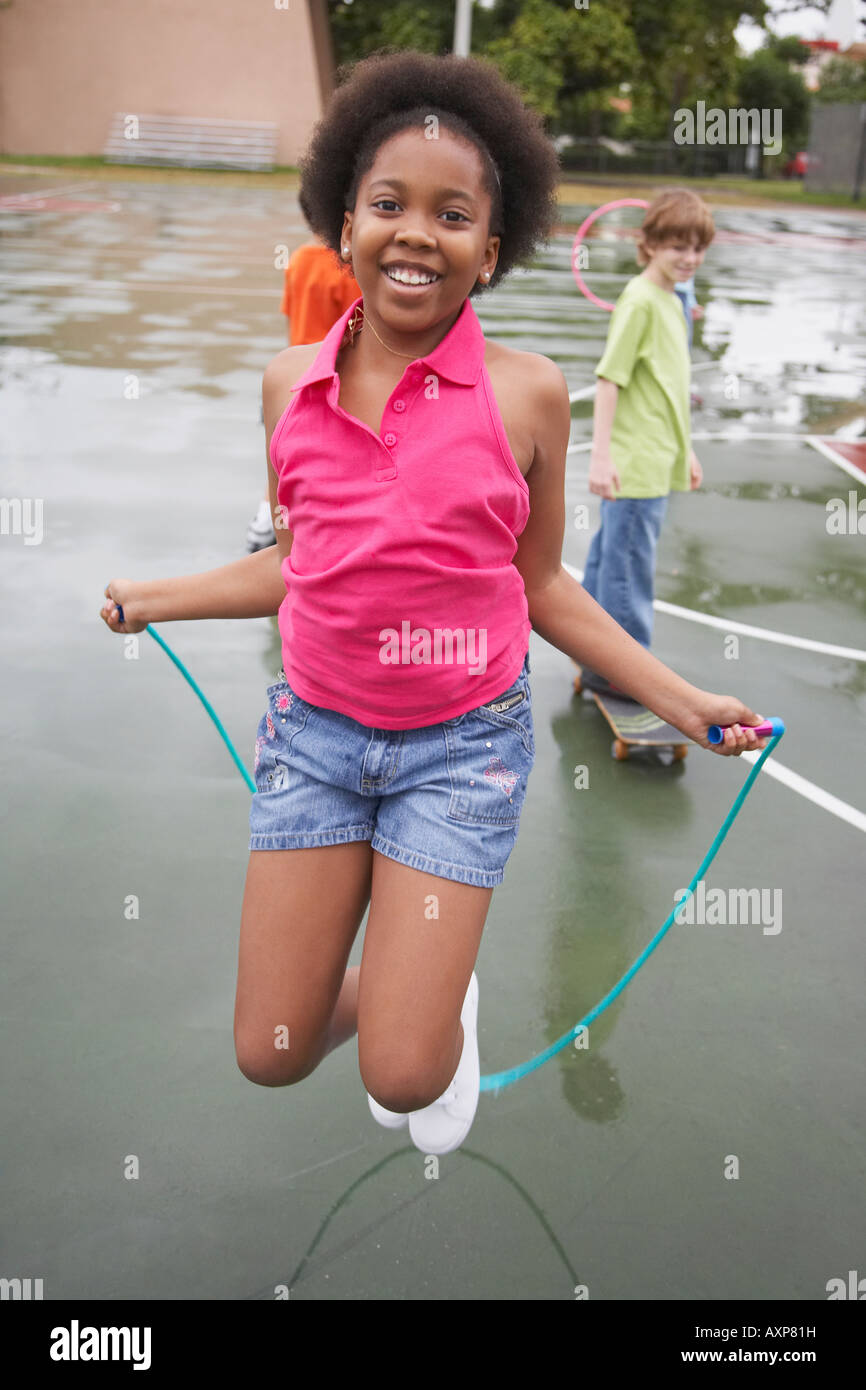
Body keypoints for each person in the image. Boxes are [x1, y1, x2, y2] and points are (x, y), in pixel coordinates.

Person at [99, 54, 767, 1158]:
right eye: (387, 205)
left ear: (488, 252)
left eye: (451, 214)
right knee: (270, 1048)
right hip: (314, 739)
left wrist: (678, 698)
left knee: (406, 1076)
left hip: (460, 750)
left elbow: (541, 583)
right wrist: (155, 597)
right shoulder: (285, 385)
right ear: (342, 224)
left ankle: (430, 991)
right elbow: (296, 561)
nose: (416, 232)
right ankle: (417, 977)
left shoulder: (529, 393)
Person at [581, 189, 714, 696]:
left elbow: (668, 386)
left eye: (697, 248)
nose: (689, 258)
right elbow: (610, 379)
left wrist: (688, 451)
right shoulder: (640, 301)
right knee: (627, 569)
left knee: (609, 558)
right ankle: (625, 672)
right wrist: (601, 455)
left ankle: (595, 656)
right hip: (634, 465)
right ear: (651, 243)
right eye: (678, 246)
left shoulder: (672, 299)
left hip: (656, 457)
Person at [246, 200, 360, 552]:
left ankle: (265, 521)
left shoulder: (297, 260)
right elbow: (358, 329)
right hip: (328, 378)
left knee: (280, 463)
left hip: (294, 374)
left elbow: (288, 318)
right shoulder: (347, 269)